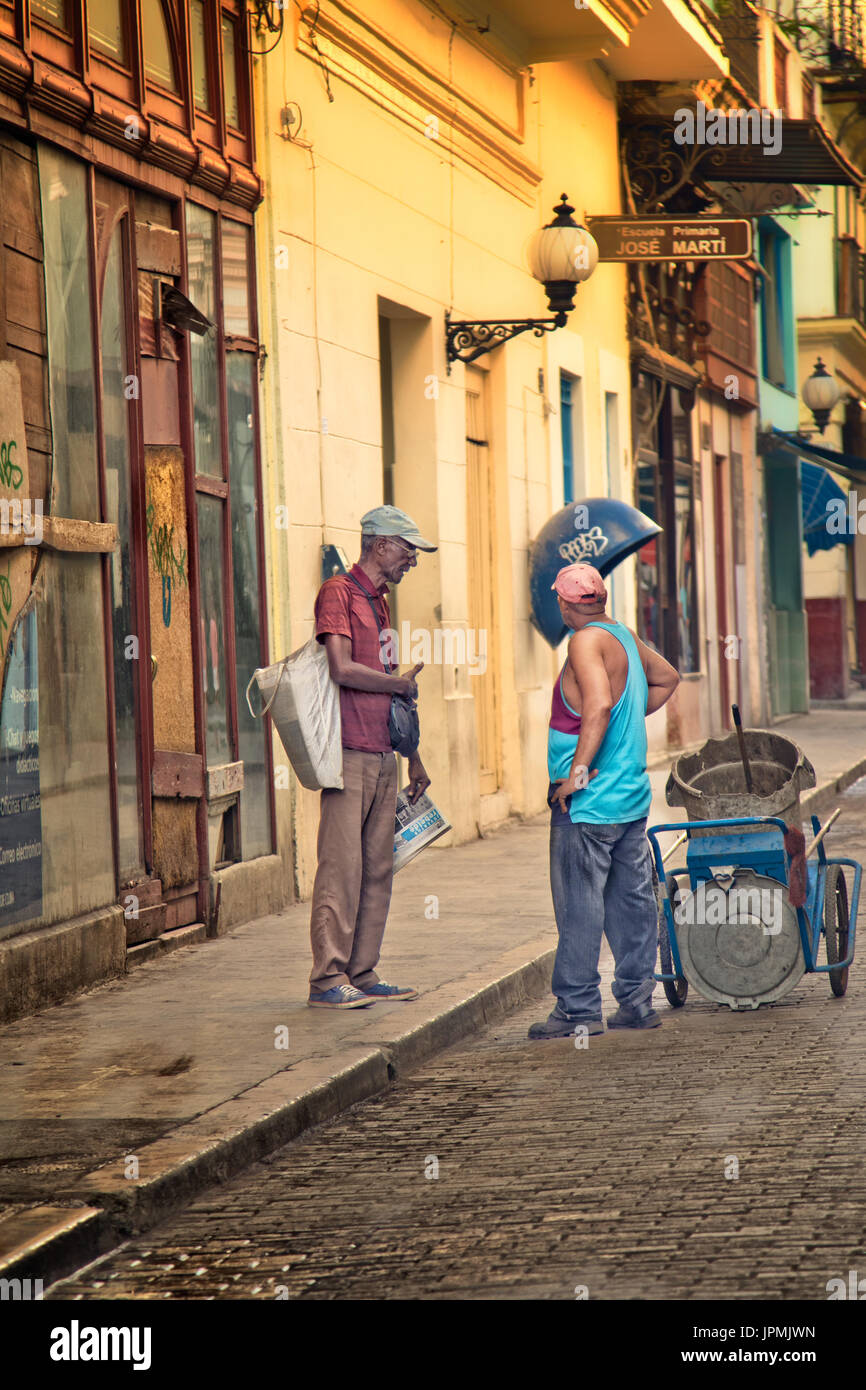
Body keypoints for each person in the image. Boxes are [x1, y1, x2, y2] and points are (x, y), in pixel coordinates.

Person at [529, 562, 680, 1039]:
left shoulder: (584, 641)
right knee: (630, 901)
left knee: (580, 906)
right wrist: (627, 716)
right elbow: (668, 679)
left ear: (565, 602)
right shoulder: (623, 638)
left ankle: (577, 1011)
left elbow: (596, 705)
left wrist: (576, 775)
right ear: (600, 598)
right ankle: (636, 1003)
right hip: (630, 797)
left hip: (590, 803)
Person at [308, 505, 436, 1009]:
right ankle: (326, 979)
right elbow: (341, 668)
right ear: (381, 544)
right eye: (409, 551)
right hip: (348, 754)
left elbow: (393, 695)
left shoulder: (380, 604)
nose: (412, 561)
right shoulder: (338, 593)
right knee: (340, 869)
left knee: (377, 869)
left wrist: (414, 757)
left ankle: (361, 971)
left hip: (383, 752)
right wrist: (397, 682)